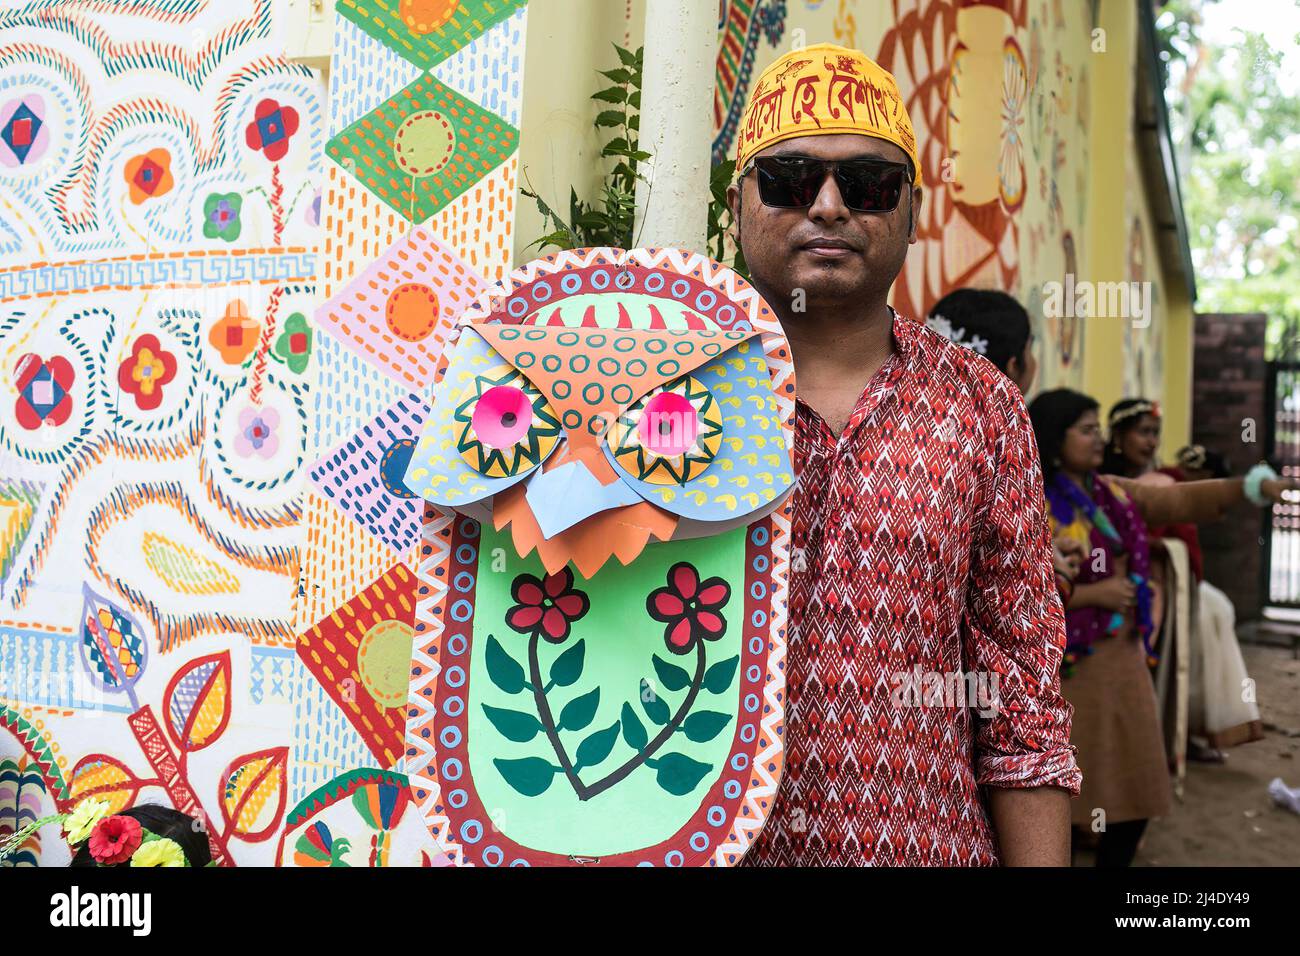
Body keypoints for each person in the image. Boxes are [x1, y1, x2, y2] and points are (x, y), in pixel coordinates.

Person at [727, 44, 1080, 867]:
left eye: (868, 185)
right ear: (739, 200)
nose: (827, 207)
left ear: (911, 213)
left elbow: (1022, 691)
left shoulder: (982, 406)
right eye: (787, 178)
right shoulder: (662, 389)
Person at [1028, 389, 1170, 867]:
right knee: (1064, 796)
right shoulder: (1033, 501)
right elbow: (1021, 591)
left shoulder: (1111, 493)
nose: (1098, 439)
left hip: (1125, 656)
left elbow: (1181, 503)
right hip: (1071, 668)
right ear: (1054, 438)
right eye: (1086, 429)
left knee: (1136, 785)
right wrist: (1094, 595)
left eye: (1098, 429)